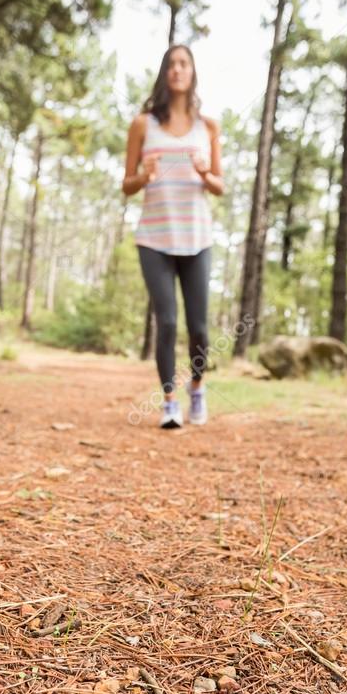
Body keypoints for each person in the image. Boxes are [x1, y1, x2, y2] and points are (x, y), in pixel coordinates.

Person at [122, 44, 224, 429]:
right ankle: (169, 402)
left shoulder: (207, 127)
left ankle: (196, 387)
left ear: (193, 72)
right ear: (164, 73)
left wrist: (204, 173)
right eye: (171, 64)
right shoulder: (142, 124)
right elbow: (126, 185)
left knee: (198, 327)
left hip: (197, 237)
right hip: (154, 238)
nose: (178, 70)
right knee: (166, 322)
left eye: (184, 64)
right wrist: (144, 176)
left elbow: (220, 186)